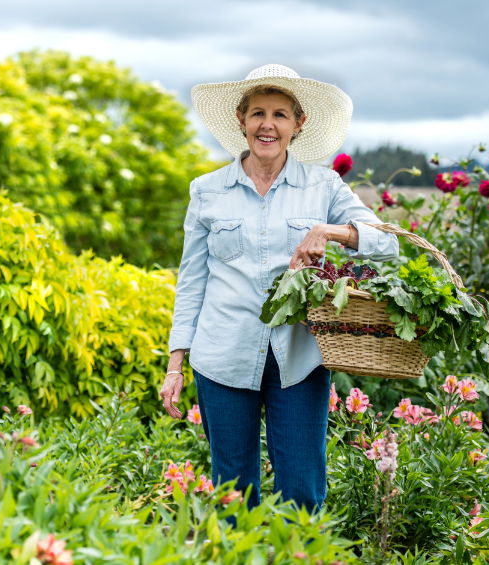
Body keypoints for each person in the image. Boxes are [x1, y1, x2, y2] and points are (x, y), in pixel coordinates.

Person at [159, 64, 399, 512]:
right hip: (222, 357)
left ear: (298, 124)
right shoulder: (207, 191)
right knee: (233, 493)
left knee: (303, 489)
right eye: (257, 114)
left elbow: (388, 241)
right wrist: (176, 363)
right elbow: (191, 280)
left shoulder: (323, 185)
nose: (267, 125)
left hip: (300, 358)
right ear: (241, 119)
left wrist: (329, 231)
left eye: (280, 115)